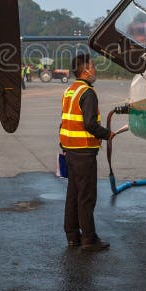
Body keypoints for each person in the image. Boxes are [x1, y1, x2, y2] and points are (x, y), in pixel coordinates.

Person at [59, 52, 114, 252]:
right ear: (86, 70)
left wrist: (64, 145)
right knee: (86, 196)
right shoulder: (88, 93)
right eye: (93, 66)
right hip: (83, 151)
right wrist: (107, 134)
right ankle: (89, 239)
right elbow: (90, 124)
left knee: (73, 194)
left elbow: (64, 121)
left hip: (70, 150)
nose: (95, 70)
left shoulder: (70, 90)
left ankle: (73, 236)